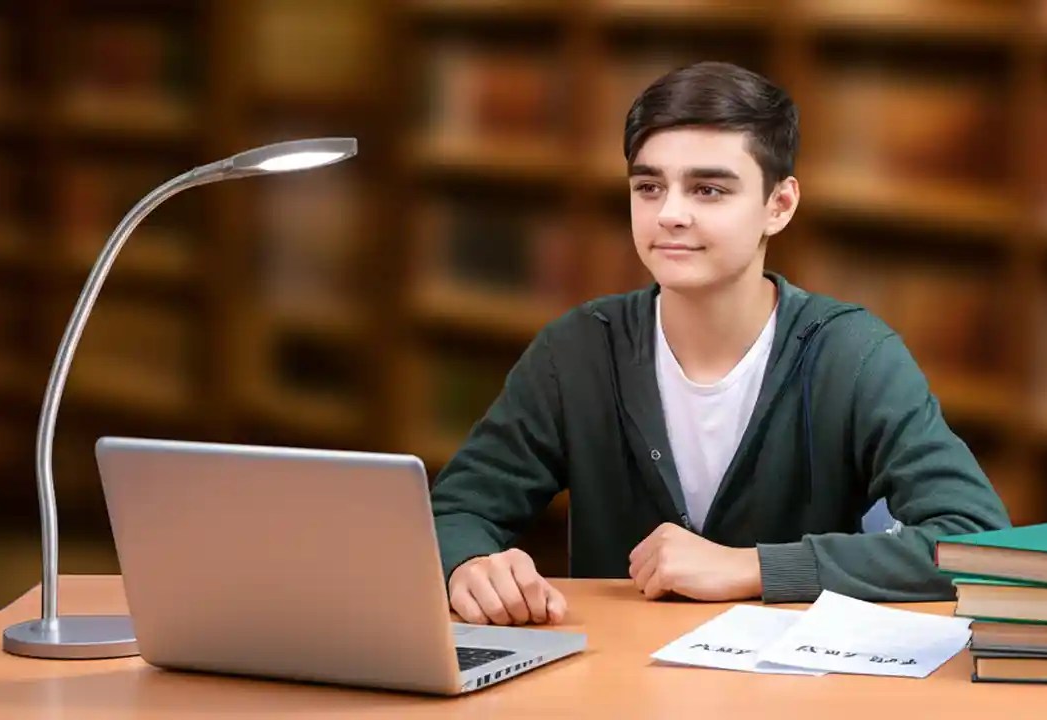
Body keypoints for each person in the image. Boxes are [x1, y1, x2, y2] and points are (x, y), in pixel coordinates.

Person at [430, 60, 1010, 626]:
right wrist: (470, 564)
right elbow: (451, 512)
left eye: (708, 189)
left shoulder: (852, 354)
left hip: (793, 691)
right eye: (649, 186)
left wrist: (757, 568)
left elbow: (974, 541)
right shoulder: (578, 350)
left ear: (778, 206)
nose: (670, 214)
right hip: (614, 685)